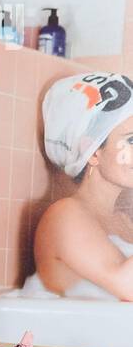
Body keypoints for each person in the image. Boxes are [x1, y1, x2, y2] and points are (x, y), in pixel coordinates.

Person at [23, 71, 133, 300]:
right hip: (72, 336)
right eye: (131, 140)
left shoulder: (123, 220)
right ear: (92, 152)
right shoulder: (64, 215)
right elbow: (128, 287)